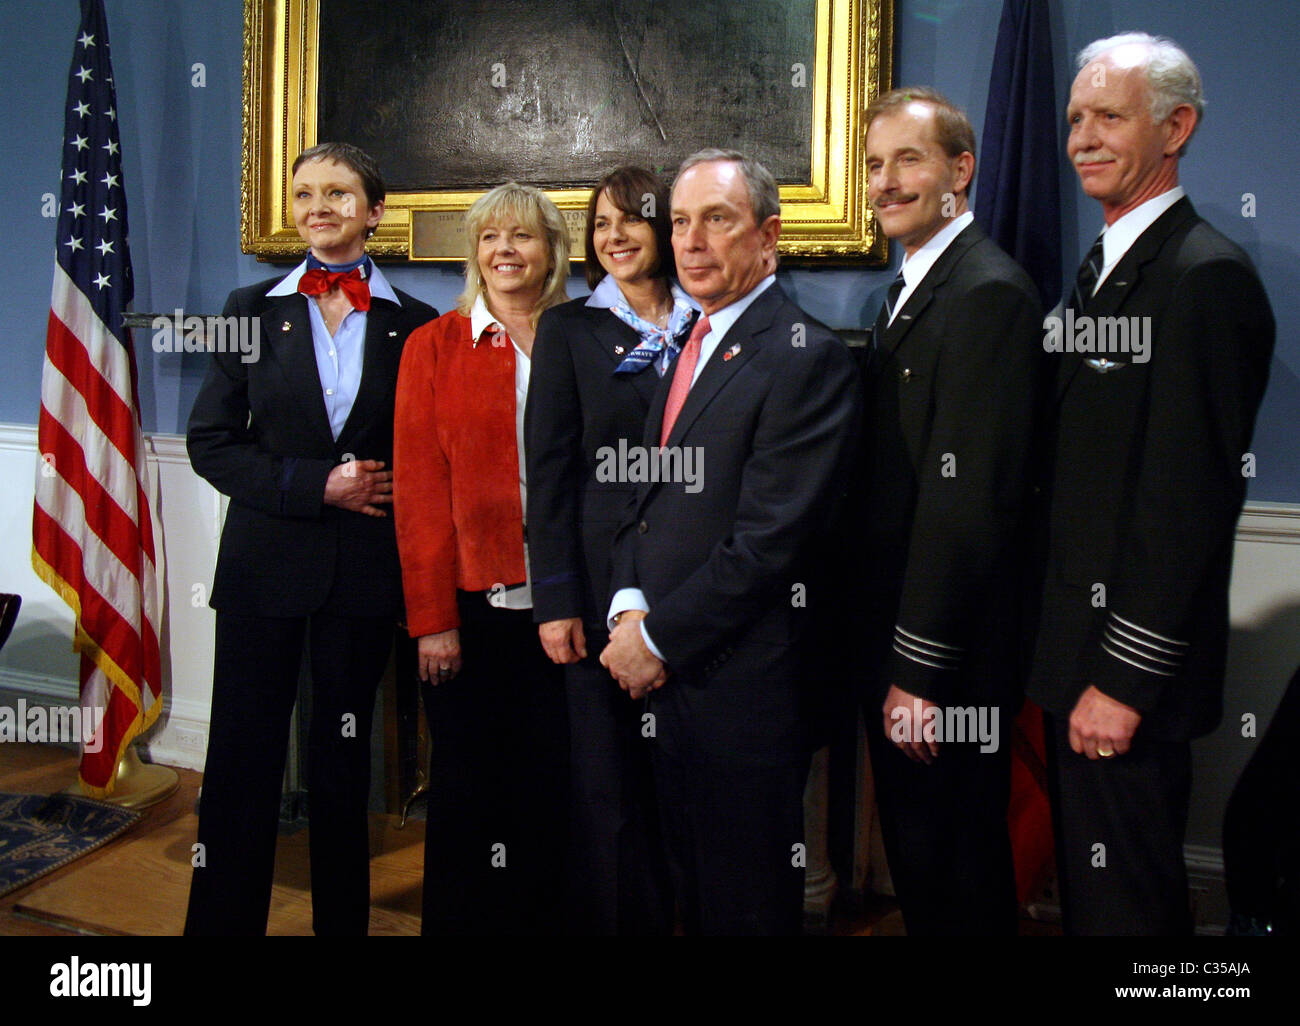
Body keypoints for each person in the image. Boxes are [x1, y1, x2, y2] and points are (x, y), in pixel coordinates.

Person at [1030, 33, 1275, 935]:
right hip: (1071, 659)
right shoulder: (1103, 273)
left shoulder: (1203, 278)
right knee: (1098, 903)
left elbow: (1188, 504)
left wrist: (1124, 682)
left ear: (1176, 127)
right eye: (1075, 119)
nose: (1083, 138)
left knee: (1128, 909)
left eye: (1109, 117)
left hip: (1121, 675)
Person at [600, 149, 862, 935]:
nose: (690, 241)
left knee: (745, 906)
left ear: (767, 234)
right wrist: (626, 605)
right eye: (680, 222)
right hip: (668, 678)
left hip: (743, 691)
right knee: (688, 894)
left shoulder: (805, 356)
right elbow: (644, 502)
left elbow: (769, 544)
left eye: (716, 219)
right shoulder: (691, 337)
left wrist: (659, 640)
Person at [185, 142, 436, 935]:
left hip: (362, 579)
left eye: (337, 192)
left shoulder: (419, 326)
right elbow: (211, 442)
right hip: (263, 570)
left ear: (374, 210)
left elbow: (426, 459)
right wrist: (314, 484)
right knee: (240, 763)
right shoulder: (246, 310)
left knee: (341, 766)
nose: (318, 206)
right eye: (303, 194)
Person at [858, 87, 1043, 935]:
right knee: (923, 863)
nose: (886, 183)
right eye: (873, 165)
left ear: (961, 171)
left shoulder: (987, 293)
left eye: (908, 160)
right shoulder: (900, 291)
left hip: (946, 660)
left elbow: (966, 503)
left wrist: (920, 674)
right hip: (899, 641)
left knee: (960, 869)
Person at [393, 182, 571, 935]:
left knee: (551, 788)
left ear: (552, 252)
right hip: (472, 610)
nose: (505, 251)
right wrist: (433, 620)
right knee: (470, 790)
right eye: (491, 238)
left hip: (569, 609)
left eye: (523, 237)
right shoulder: (434, 346)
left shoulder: (585, 337)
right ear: (474, 253)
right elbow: (419, 492)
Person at [526, 166, 691, 934]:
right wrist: (556, 601)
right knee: (610, 788)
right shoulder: (569, 330)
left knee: (683, 784)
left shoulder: (710, 321)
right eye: (600, 224)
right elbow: (550, 476)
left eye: (632, 219)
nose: (615, 236)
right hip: (595, 596)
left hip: (693, 588)